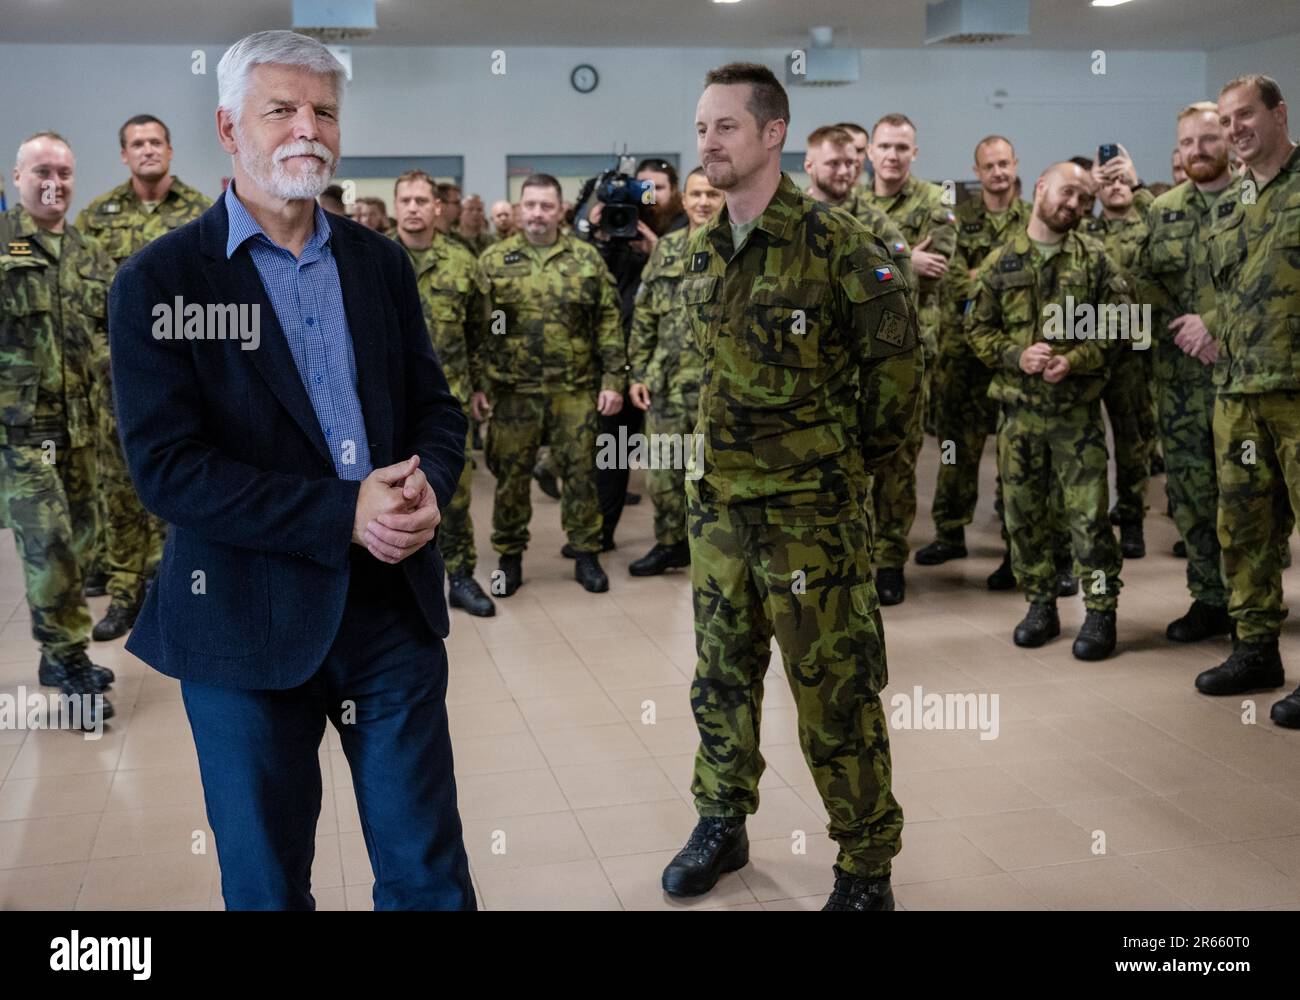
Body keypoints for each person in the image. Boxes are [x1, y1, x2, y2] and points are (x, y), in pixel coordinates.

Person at [108, 30, 474, 909]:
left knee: (428, 872)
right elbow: (169, 469)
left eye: (324, 112)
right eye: (282, 110)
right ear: (230, 128)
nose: (306, 129)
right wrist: (342, 510)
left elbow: (435, 408)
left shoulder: (379, 262)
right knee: (268, 885)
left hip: (388, 608)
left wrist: (425, 485)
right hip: (241, 620)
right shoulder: (160, 283)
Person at [661, 63, 920, 911]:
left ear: (773, 134)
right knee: (721, 676)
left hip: (811, 515)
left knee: (834, 689)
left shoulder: (843, 246)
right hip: (718, 513)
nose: (708, 142)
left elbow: (895, 391)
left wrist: (840, 477)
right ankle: (722, 819)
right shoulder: (695, 251)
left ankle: (866, 862)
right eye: (701, 127)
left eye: (725, 126)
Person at [967, 162, 1130, 660]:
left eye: (1085, 199)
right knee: (1024, 518)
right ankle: (1040, 604)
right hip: (1019, 419)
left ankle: (1100, 611)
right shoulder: (1000, 261)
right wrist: (1017, 355)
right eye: (1067, 193)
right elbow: (977, 330)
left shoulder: (1098, 262)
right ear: (1040, 188)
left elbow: (1123, 328)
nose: (1075, 205)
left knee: (1090, 519)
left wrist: (1075, 359)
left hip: (1075, 418)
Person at [75, 114, 212, 640]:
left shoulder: (201, 214)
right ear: (124, 155)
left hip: (185, 385)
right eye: (137, 143)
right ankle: (127, 593)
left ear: (171, 152)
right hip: (120, 386)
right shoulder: (96, 217)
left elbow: (220, 299)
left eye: (156, 142)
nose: (148, 150)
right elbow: (83, 302)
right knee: (119, 487)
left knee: (184, 483)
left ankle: (176, 589)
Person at [1, 132, 116, 727]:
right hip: (20, 434)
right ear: (18, 176)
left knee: (80, 544)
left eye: (65, 172)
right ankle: (70, 660)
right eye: (42, 170)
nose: (55, 182)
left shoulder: (90, 253)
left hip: (83, 431)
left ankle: (56, 653)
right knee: (48, 548)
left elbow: (110, 341)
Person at [1197, 74, 1300, 727]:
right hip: (1236, 393)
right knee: (1243, 528)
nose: (1235, 129)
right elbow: (1224, 286)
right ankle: (1256, 648)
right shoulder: (1231, 198)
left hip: (1296, 389)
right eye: (1226, 120)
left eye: (1245, 116)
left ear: (1279, 113)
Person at [471, 173, 625, 594]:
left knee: (580, 475)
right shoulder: (494, 261)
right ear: (520, 210)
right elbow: (480, 329)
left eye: (546, 206)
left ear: (560, 211)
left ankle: (586, 553)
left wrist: (613, 379)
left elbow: (608, 321)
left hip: (573, 389)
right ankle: (509, 556)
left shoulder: (586, 259)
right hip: (512, 391)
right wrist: (478, 384)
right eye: (531, 205)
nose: (537, 214)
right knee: (512, 478)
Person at [1134, 101, 1235, 642]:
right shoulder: (1163, 208)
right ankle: (1208, 599)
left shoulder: (1260, 200)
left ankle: (1252, 605)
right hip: (1179, 383)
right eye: (1188, 142)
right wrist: (1184, 327)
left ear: (1231, 139)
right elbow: (1144, 281)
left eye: (1208, 139)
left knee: (1249, 498)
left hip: (1243, 378)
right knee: (1192, 496)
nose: (1198, 151)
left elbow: (1276, 284)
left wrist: (1216, 324)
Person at [915, 135, 1032, 574]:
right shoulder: (957, 220)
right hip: (961, 354)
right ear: (977, 171)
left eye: (1005, 163)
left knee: (1013, 450)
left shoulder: (1032, 218)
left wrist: (983, 273)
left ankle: (1015, 539)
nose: (998, 172)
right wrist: (1004, 274)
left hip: (1013, 353)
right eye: (989, 166)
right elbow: (951, 280)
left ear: (1015, 164)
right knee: (954, 450)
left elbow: (1038, 273)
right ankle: (949, 533)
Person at [859, 113, 957, 604]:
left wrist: (894, 263)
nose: (893, 155)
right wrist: (900, 258)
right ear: (869, 151)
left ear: (914, 153)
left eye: (902, 147)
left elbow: (935, 267)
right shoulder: (848, 200)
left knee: (898, 462)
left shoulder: (935, 199)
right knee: (855, 461)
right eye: (885, 146)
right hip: (855, 354)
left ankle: (890, 560)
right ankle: (856, 555)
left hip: (908, 353)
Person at [393, 170, 495, 617]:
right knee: (388, 494)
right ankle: (395, 584)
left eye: (422, 200)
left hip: (445, 402)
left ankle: (463, 576)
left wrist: (477, 386)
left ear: (437, 208)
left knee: (453, 491)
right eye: (406, 200)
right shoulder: (368, 257)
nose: (413, 208)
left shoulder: (462, 263)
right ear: (396, 206)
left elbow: (481, 330)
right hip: (383, 403)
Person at [626, 166, 724, 575]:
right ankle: (671, 544)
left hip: (717, 387)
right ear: (683, 201)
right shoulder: (666, 249)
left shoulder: (741, 247)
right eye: (696, 194)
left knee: (714, 477)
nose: (704, 202)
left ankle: (717, 553)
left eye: (712, 194)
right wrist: (638, 373)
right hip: (666, 383)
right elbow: (645, 313)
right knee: (663, 477)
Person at [1086, 164, 1156, 559]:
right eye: (1106, 181)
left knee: (1134, 442)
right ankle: (1091, 521)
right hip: (1090, 350)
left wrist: (1135, 178)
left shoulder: (1149, 223)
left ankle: (1132, 520)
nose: (1115, 187)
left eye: (1121, 180)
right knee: (1089, 442)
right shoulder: (1086, 230)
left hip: (1134, 350)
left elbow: (1160, 211)